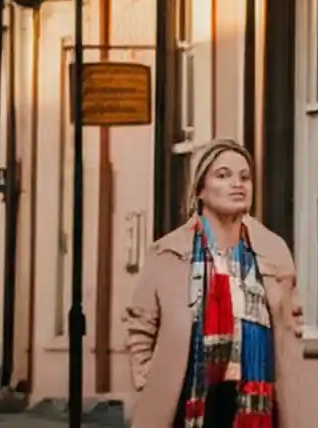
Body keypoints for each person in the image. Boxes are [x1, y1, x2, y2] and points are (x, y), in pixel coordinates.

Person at [125, 138, 304, 427]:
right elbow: (140, 326)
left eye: (245, 177)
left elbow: (291, 323)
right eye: (224, 175)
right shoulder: (169, 253)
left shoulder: (273, 250)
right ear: (200, 190)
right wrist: (147, 378)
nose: (238, 184)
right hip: (185, 401)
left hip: (255, 399)